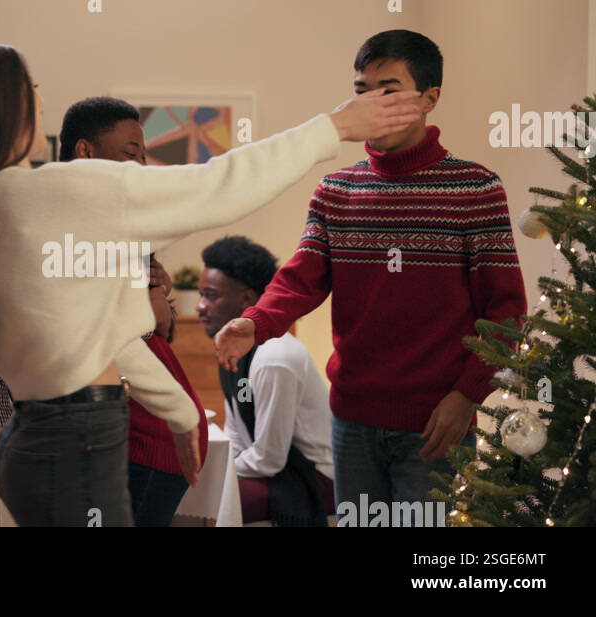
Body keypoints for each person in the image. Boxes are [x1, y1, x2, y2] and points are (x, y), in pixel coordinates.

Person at [0, 42, 420, 527]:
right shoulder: (58, 190)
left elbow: (98, 338)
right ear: (4, 103)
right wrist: (333, 127)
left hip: (38, 441)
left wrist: (179, 414)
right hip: (73, 443)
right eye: (31, 85)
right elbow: (218, 185)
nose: (40, 98)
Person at [214, 30, 528, 522]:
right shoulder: (336, 189)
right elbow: (301, 279)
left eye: (389, 88)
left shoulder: (475, 188)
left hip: (435, 423)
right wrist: (255, 322)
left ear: (430, 98)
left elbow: (506, 313)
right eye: (361, 90)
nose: (370, 103)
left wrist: (467, 397)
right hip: (352, 422)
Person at [59, 96, 209, 527]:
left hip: (151, 434)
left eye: (144, 156)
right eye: (130, 154)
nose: (141, 166)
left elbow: (161, 324)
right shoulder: (71, 228)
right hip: (136, 436)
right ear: (85, 151)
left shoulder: (119, 222)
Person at [197, 236, 334, 526]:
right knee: (200, 492)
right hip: (275, 469)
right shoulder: (234, 349)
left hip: (313, 478)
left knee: (213, 500)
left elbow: (270, 459)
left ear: (246, 299)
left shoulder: (275, 358)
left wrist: (218, 474)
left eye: (210, 295)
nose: (200, 306)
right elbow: (235, 433)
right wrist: (220, 469)